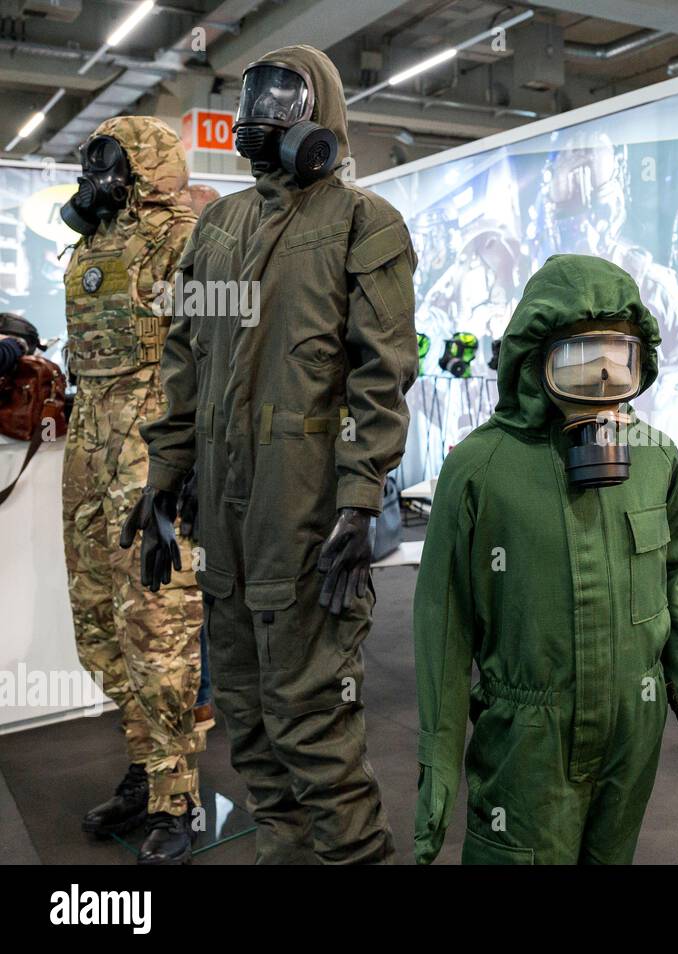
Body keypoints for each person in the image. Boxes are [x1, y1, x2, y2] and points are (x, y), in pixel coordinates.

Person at [128, 45, 417, 864]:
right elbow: (182, 360)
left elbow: (382, 375)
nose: (261, 117)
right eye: (253, 97)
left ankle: (353, 855)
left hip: (306, 509)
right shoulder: (218, 226)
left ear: (321, 115)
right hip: (224, 508)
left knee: (311, 716)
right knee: (249, 722)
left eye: (284, 101)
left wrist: (362, 499)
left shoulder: (364, 222)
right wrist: (163, 479)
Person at [413, 254, 678, 865]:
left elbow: (675, 597)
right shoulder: (482, 469)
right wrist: (437, 773)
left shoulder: (653, 459)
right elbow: (443, 628)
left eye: (618, 358)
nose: (600, 377)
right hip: (528, 740)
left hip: (632, 734)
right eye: (579, 358)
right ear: (534, 359)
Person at [58, 117, 204, 864]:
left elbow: (215, 356)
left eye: (108, 156)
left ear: (143, 163)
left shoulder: (184, 240)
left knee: (159, 625)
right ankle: (146, 770)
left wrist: (188, 467)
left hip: (151, 447)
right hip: (89, 439)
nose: (94, 169)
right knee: (99, 622)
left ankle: (181, 799)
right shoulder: (90, 243)